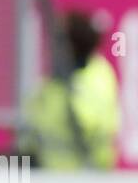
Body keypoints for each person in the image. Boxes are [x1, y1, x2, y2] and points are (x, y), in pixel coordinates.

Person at [21, 12, 120, 170]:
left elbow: (90, 124)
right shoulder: (50, 83)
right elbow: (30, 127)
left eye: (60, 42)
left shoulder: (97, 77)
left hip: (88, 175)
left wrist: (69, 94)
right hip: (48, 178)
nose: (54, 49)